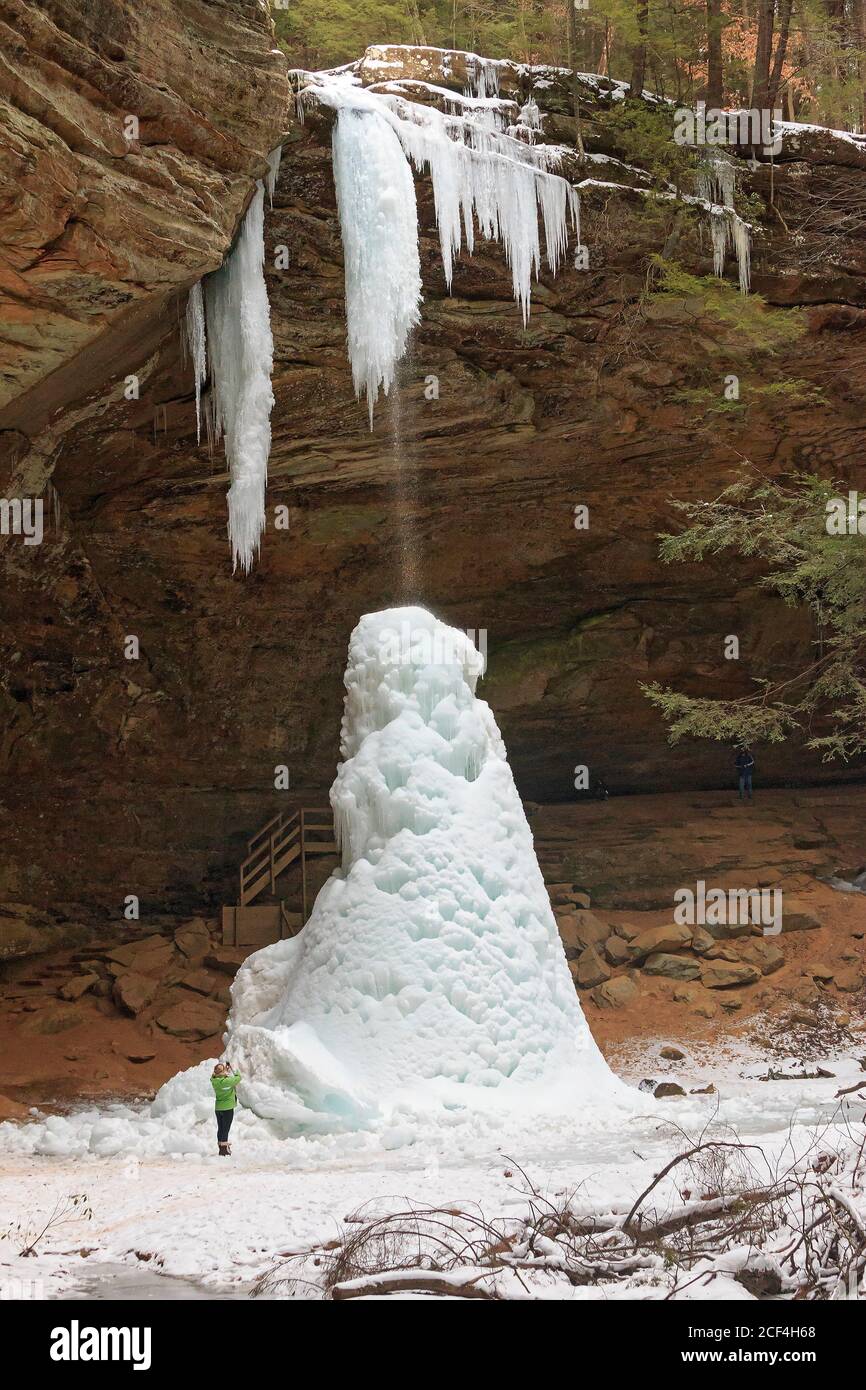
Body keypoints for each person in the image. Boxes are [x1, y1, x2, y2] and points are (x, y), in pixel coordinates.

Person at [211, 1060, 241, 1157]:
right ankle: (224, 1150)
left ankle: (221, 1147)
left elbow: (217, 1076)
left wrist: (224, 1071)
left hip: (218, 1108)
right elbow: (238, 1077)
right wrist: (232, 1069)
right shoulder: (227, 1081)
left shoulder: (214, 1081)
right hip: (227, 1108)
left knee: (221, 1128)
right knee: (226, 1129)